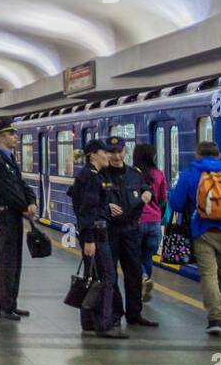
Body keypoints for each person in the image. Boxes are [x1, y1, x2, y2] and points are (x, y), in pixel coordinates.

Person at [167, 140, 221, 335]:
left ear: (197, 155)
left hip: (203, 232)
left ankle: (214, 318)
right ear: (219, 156)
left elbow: (176, 204)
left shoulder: (190, 173)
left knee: (209, 274)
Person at [71, 140, 127, 339]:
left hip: (92, 232)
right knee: (107, 277)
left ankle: (88, 322)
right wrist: (89, 239)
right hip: (96, 233)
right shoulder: (92, 178)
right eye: (105, 152)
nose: (109, 156)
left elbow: (75, 199)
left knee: (91, 277)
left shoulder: (88, 175)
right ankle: (104, 324)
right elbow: (87, 210)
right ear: (93, 155)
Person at [103, 137, 158, 328]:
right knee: (110, 275)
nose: (116, 156)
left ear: (125, 151)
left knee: (134, 273)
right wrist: (106, 205)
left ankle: (135, 314)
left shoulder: (135, 174)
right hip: (109, 231)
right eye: (112, 152)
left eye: (119, 151)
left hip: (131, 230)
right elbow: (87, 198)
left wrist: (147, 194)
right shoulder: (101, 175)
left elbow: (146, 188)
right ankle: (115, 314)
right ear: (106, 153)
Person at [0, 124, 37, 321]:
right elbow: (9, 192)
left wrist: (31, 201)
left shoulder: (9, 159)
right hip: (5, 216)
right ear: (1, 137)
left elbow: (22, 184)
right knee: (7, 262)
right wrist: (26, 207)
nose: (16, 137)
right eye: (11, 134)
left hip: (14, 216)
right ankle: (3, 306)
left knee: (15, 261)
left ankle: (11, 303)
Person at [134, 143, 167, 302]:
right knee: (147, 256)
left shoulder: (133, 174)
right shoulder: (159, 174)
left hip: (137, 221)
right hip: (154, 222)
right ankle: (144, 286)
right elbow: (162, 199)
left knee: (133, 255)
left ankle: (143, 278)